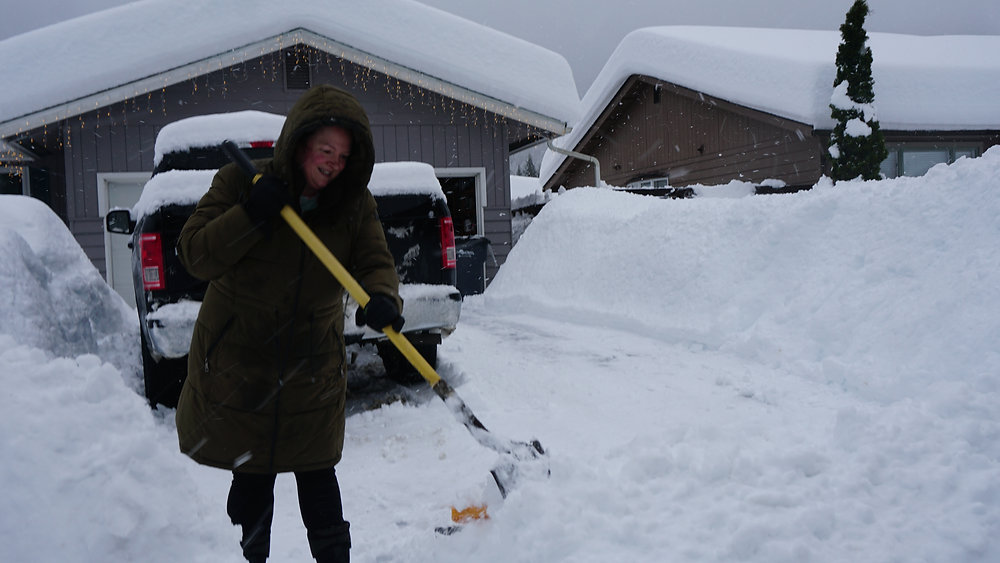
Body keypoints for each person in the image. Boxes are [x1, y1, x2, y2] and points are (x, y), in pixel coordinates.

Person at [175, 84, 403, 563]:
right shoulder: (240, 185)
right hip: (242, 365)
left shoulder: (353, 204)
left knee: (319, 483)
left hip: (312, 365)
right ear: (300, 144)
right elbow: (195, 254)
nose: (334, 163)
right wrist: (251, 215)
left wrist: (382, 297)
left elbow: (374, 259)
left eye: (343, 156)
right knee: (252, 484)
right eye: (326, 150)